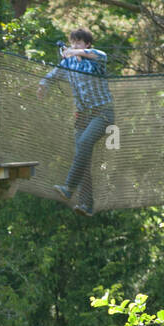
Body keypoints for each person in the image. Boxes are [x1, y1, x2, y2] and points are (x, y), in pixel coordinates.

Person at [37, 28, 114, 216]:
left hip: (103, 114)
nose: (74, 46)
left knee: (84, 143)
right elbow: (52, 75)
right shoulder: (68, 63)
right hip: (82, 116)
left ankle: (69, 187)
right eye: (72, 42)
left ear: (87, 44)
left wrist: (75, 52)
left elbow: (100, 54)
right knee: (82, 157)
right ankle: (86, 205)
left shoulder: (96, 61)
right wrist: (42, 85)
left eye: (79, 42)